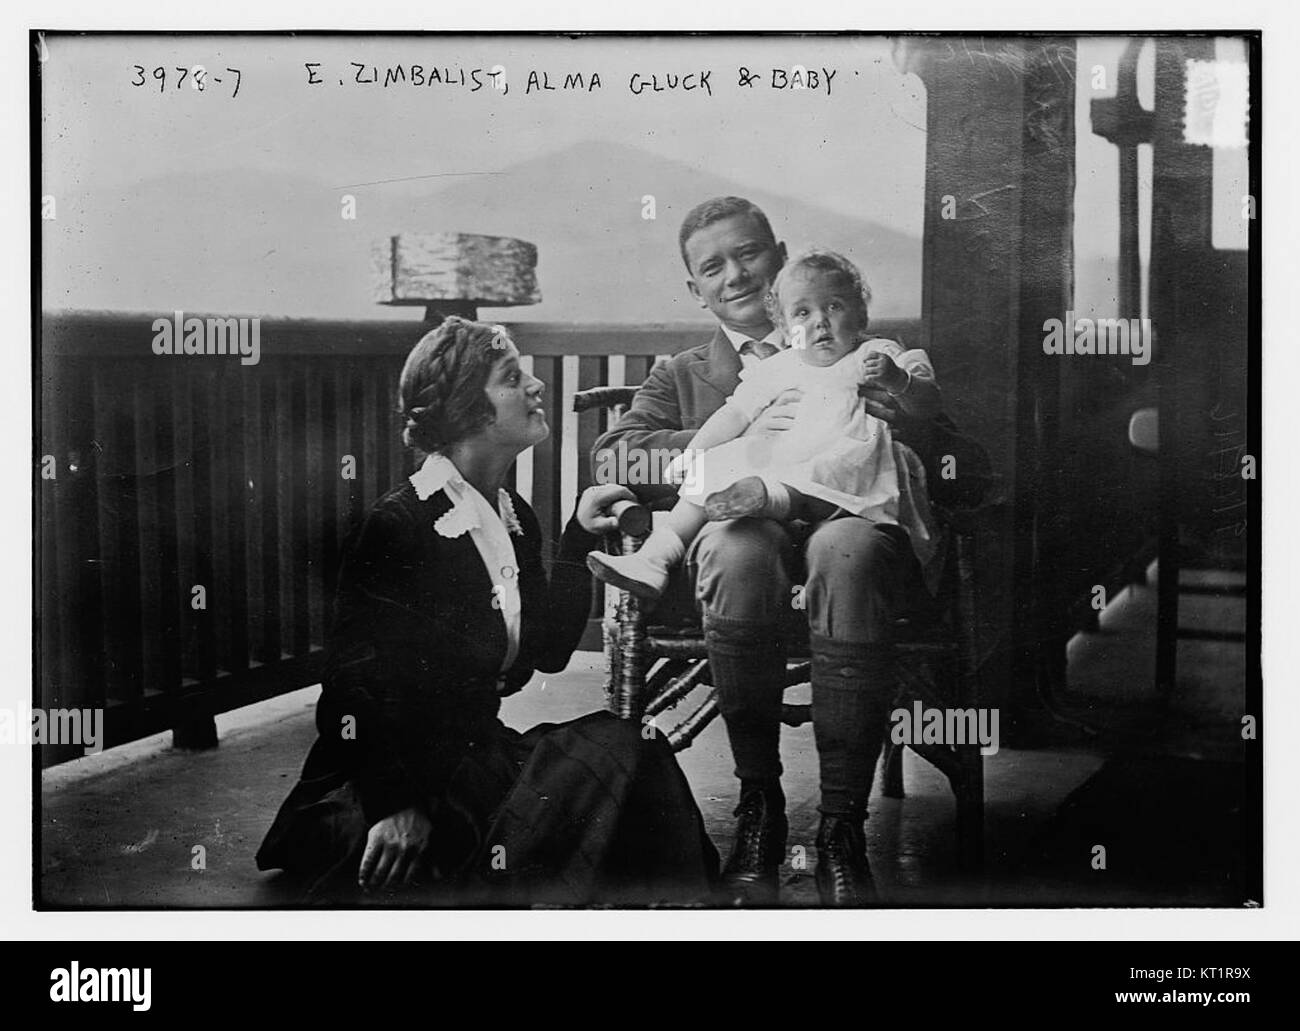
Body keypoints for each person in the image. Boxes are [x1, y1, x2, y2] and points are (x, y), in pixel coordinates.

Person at [256, 316, 718, 906]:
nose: (536, 387)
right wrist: (396, 805)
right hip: (383, 780)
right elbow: (353, 690)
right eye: (511, 377)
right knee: (547, 823)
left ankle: (679, 907)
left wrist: (577, 537)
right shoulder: (401, 523)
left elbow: (547, 652)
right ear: (465, 410)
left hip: (476, 756)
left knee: (632, 745)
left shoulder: (511, 515)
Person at [591, 197, 952, 906]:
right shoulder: (686, 372)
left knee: (848, 550)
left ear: (780, 254)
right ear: (695, 289)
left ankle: (842, 825)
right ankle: (760, 802)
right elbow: (614, 455)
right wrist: (726, 442)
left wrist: (898, 423)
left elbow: (966, 460)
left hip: (847, 521)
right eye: (712, 266)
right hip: (741, 528)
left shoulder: (872, 352)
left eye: (749, 253)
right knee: (734, 549)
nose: (736, 274)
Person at [587, 248, 942, 602]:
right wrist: (695, 455)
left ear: (861, 314)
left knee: (825, 476)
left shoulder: (873, 355)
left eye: (834, 306)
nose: (820, 321)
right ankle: (654, 558)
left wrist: (898, 381)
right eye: (803, 312)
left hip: (846, 470)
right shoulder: (778, 368)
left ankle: (765, 498)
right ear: (786, 328)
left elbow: (930, 405)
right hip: (776, 471)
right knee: (714, 469)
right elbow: (733, 413)